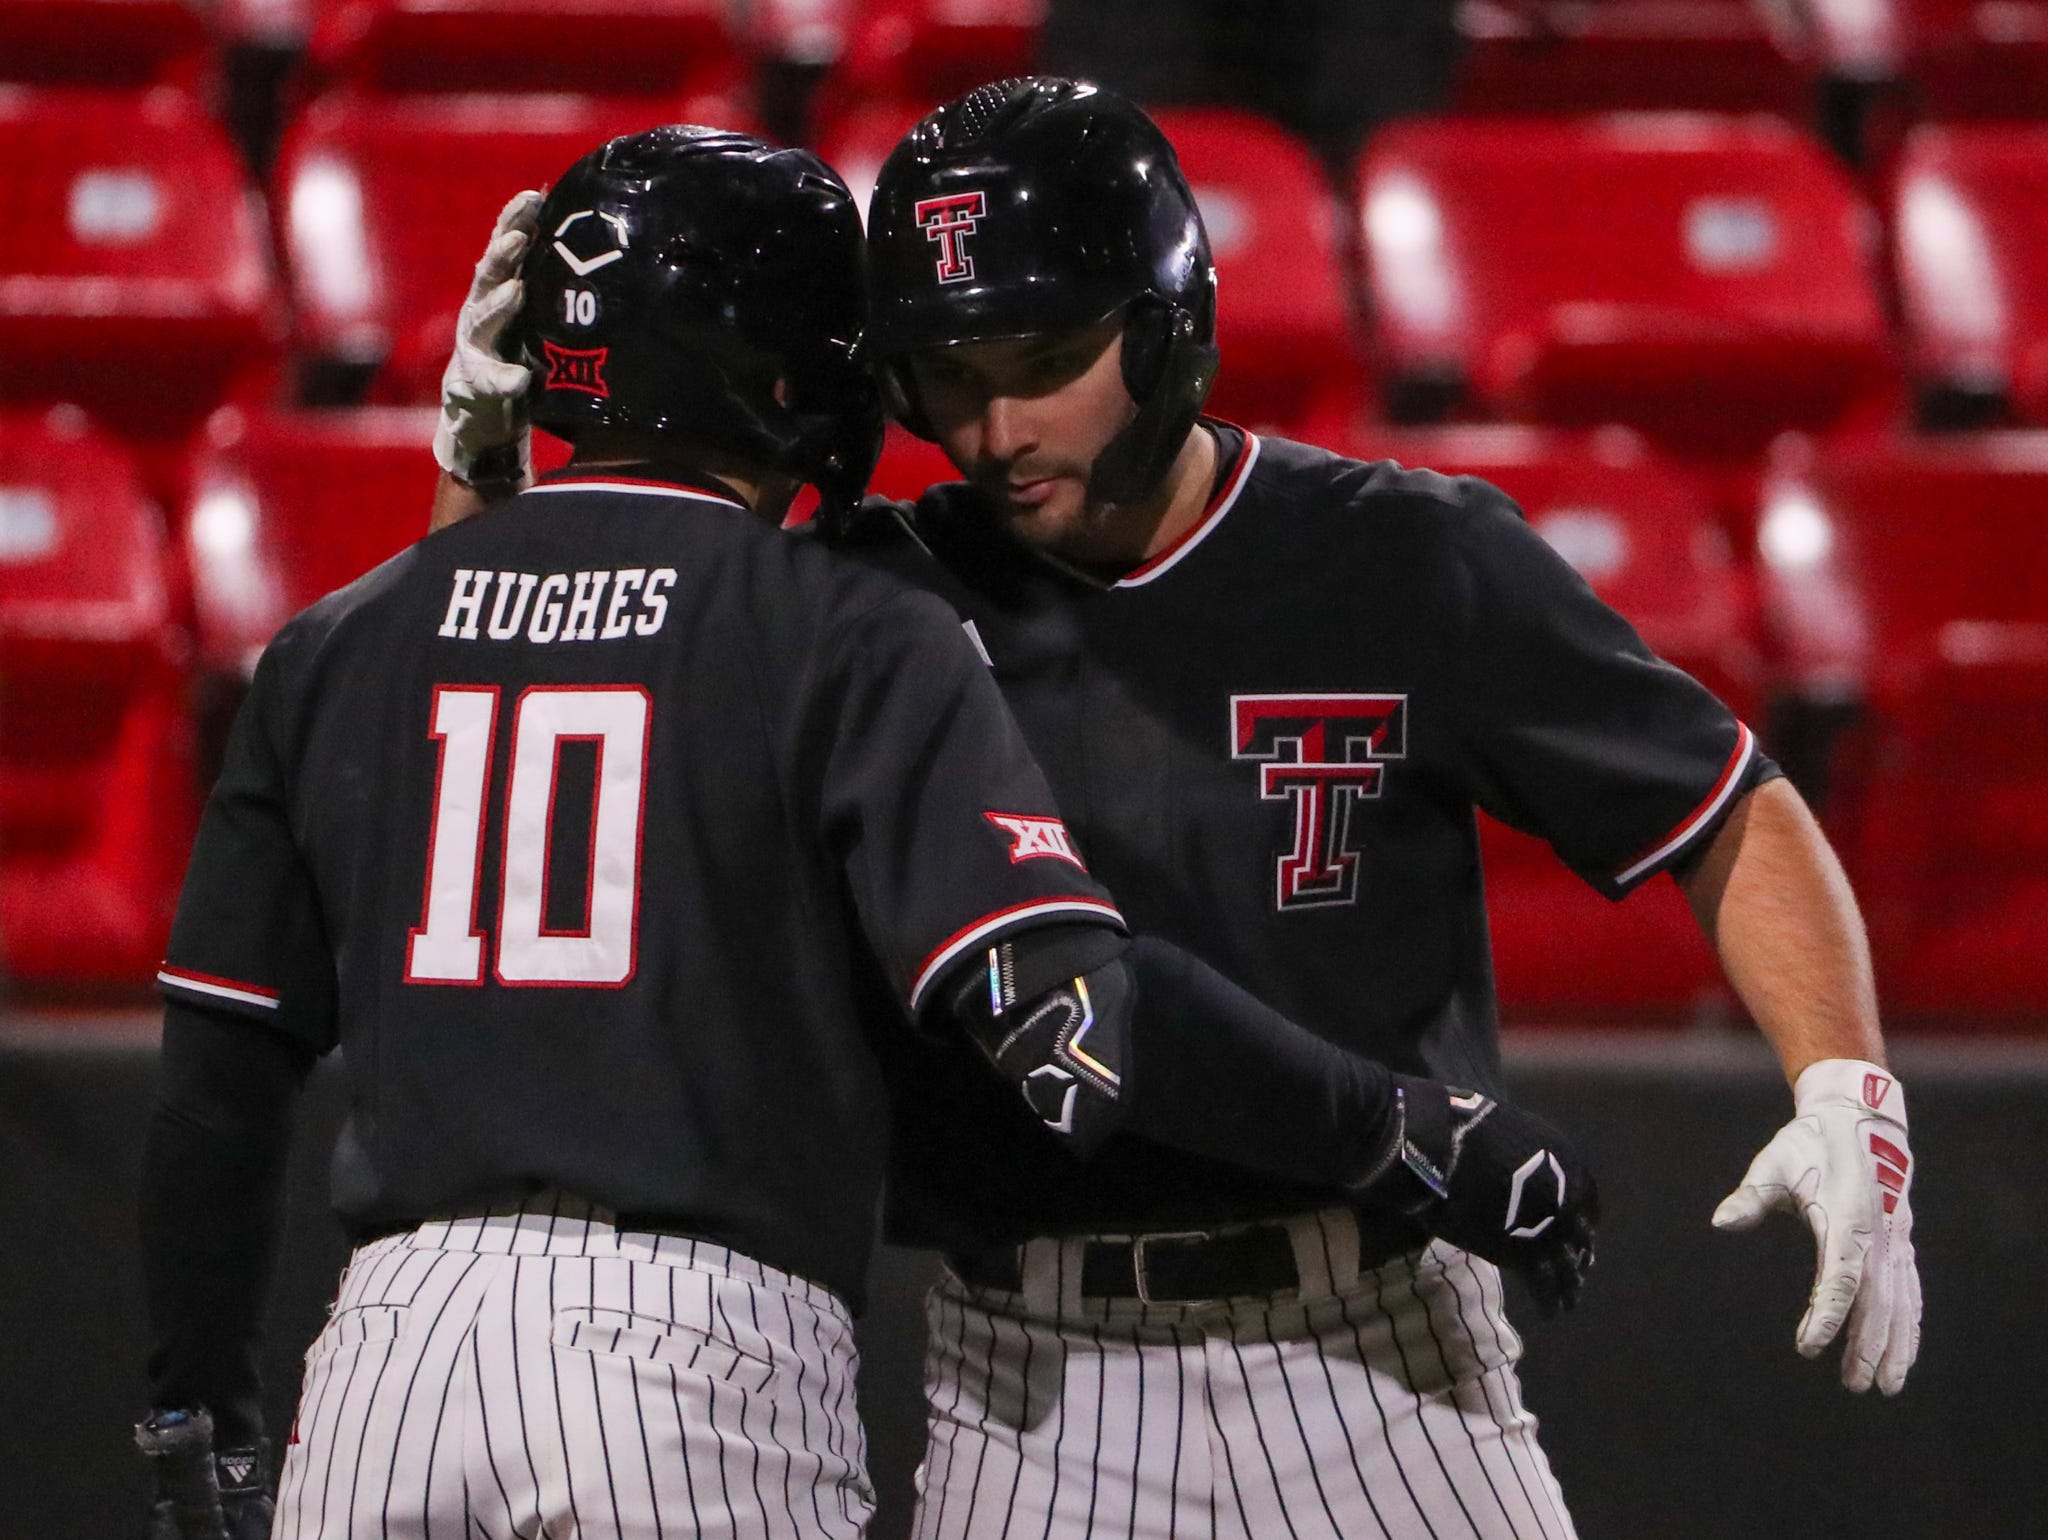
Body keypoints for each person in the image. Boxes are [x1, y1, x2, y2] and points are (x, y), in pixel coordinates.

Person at [137, 126, 1595, 1540]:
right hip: (695, 1352)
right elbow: (1066, 1020)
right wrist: (1397, 1124)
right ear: (787, 368)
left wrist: (193, 1406)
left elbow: (217, 1079)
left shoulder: (338, 645)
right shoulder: (842, 621)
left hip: (386, 1357)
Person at [850, 78, 1923, 1539]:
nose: (992, 426)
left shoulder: (1403, 558)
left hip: (1387, 1345)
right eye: (948, 376)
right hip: (1030, 1376)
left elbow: (1727, 803)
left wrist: (1846, 1093)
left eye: (1042, 359)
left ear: (1167, 326)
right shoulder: (878, 593)